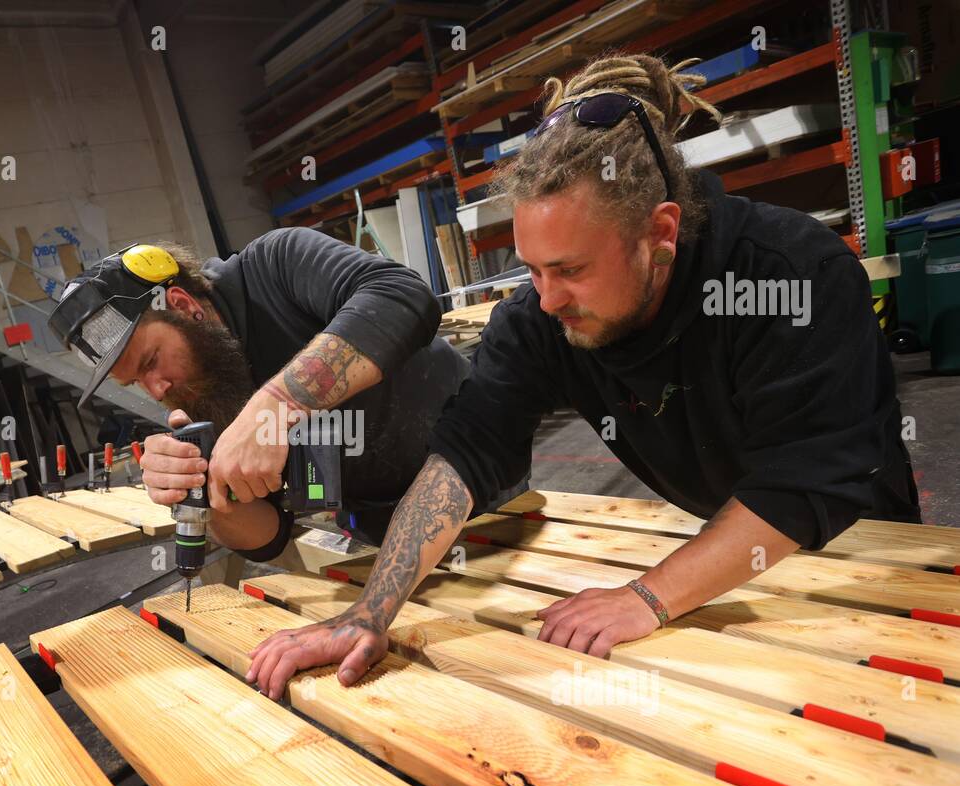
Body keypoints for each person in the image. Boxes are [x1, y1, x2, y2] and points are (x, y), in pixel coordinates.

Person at [246, 53, 921, 700]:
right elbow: (469, 450)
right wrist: (369, 613)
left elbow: (806, 482)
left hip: (868, 566)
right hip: (727, 559)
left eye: (569, 270)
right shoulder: (541, 317)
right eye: (532, 270)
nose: (546, 298)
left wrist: (647, 596)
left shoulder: (788, 273)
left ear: (659, 231)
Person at [50, 231, 495, 561]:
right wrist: (204, 494)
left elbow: (404, 297)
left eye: (150, 362)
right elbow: (267, 538)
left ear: (184, 306)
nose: (157, 389)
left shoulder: (275, 266)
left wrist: (275, 406)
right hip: (385, 530)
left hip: (482, 484)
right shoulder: (203, 397)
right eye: (138, 383)